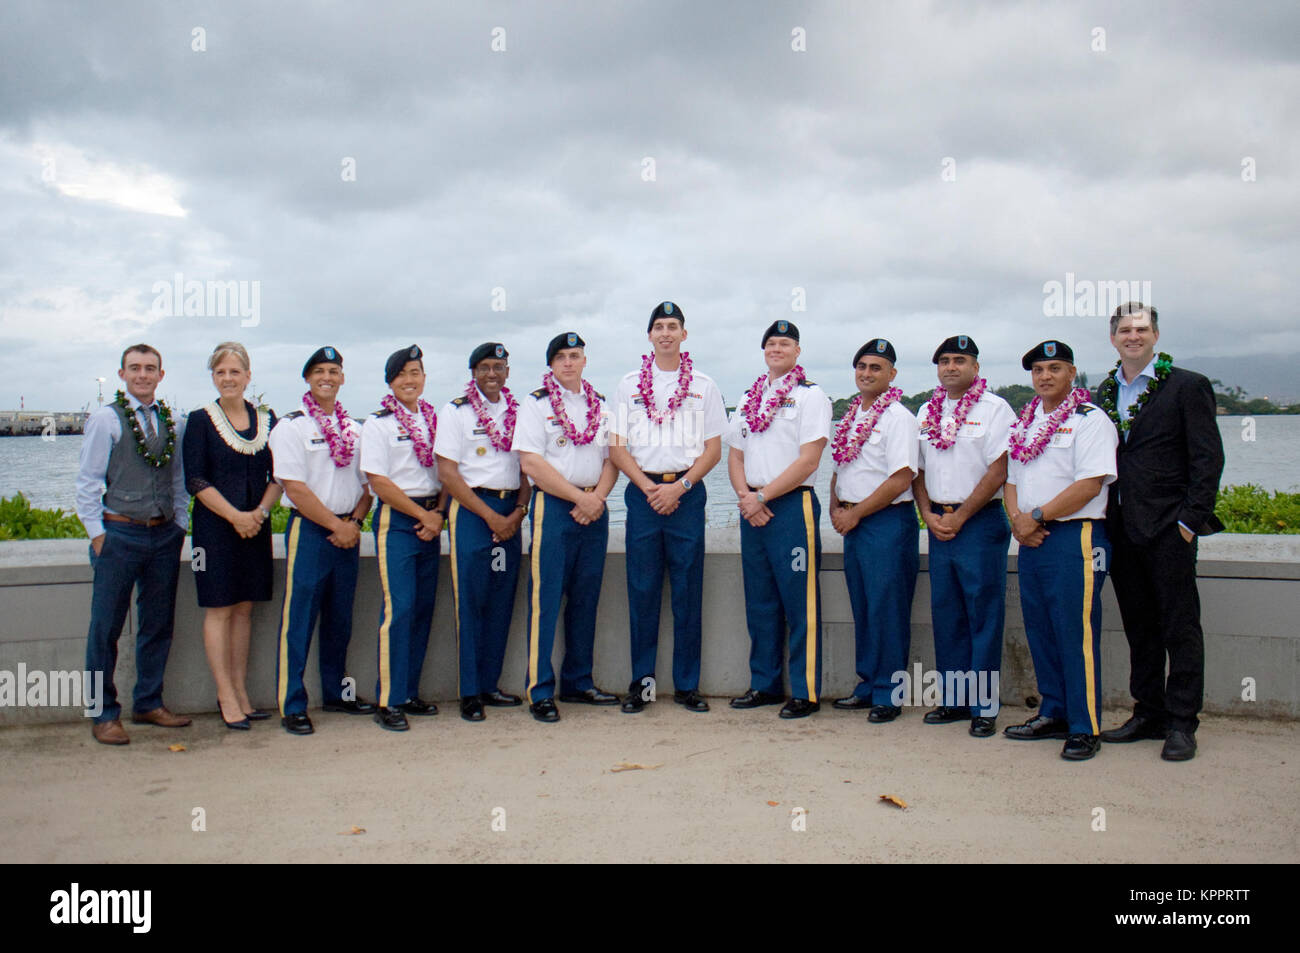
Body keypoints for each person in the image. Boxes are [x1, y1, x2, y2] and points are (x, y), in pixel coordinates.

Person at [1096, 303, 1225, 762]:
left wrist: (1189, 522)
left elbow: (1208, 460)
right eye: (1125, 330)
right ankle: (1147, 712)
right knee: (1139, 627)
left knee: (1179, 626)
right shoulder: (1104, 391)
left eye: (1142, 329)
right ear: (1113, 339)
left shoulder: (1187, 386)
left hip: (1171, 529)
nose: (1133, 336)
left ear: (1156, 336)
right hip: (1122, 528)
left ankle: (1182, 723)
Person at [608, 301, 726, 714]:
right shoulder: (627, 386)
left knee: (687, 592)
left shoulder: (705, 386)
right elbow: (617, 446)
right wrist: (647, 487)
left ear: (684, 334)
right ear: (649, 336)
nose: (665, 332)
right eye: (658, 326)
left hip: (687, 495)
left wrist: (680, 487)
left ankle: (687, 686)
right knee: (641, 591)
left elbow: (713, 449)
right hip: (642, 496)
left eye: (673, 326)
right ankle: (641, 685)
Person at [1003, 340, 1118, 761]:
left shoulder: (1091, 421)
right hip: (1032, 539)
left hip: (1075, 538)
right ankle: (1052, 712)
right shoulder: (1026, 422)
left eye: (1054, 368)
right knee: (1041, 629)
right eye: (1037, 370)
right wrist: (1018, 520)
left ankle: (1084, 725)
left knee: (1075, 632)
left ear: (1072, 373)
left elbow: (1090, 484)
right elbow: (1011, 478)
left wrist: (1037, 516)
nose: (1045, 376)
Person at [75, 343, 192, 745]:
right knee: (104, 628)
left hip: (163, 534)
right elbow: (88, 482)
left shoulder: (173, 420)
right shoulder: (106, 420)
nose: (142, 375)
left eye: (150, 368)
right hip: (119, 533)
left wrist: (180, 523)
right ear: (122, 374)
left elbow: (177, 479)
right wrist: (98, 534)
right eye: (134, 368)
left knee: (158, 624)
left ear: (162, 375)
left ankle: (148, 702)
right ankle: (102, 713)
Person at [725, 320, 832, 719]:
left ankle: (805, 692)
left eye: (784, 343)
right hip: (752, 507)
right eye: (770, 343)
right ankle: (764, 684)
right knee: (760, 601)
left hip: (790, 508)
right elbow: (735, 456)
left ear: (797, 351)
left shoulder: (811, 397)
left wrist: (763, 497)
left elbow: (809, 460)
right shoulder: (749, 397)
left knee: (799, 602)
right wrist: (745, 498)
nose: (776, 349)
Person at [911, 335, 1015, 737]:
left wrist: (962, 516)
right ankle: (953, 700)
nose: (951, 367)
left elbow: (998, 470)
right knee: (947, 615)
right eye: (944, 361)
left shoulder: (995, 410)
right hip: (939, 523)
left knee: (983, 615)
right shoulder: (926, 410)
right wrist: (927, 515)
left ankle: (984, 706)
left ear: (975, 367)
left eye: (960, 360)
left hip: (979, 524)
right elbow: (916, 470)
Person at [514, 332, 620, 723]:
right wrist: (580, 500)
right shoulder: (535, 404)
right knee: (545, 600)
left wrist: (597, 499)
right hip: (556, 509)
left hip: (595, 509)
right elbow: (531, 463)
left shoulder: (603, 406)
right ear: (551, 365)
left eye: (575, 356)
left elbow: (614, 458)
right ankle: (540, 690)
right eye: (560, 357)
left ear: (584, 361)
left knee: (585, 598)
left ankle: (579, 682)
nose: (568, 363)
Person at [269, 346, 375, 735]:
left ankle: (337, 692)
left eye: (333, 370)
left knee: (340, 619)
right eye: (318, 371)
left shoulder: (356, 429)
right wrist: (336, 524)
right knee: (299, 620)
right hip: (312, 532)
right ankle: (292, 704)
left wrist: (356, 522)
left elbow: (370, 483)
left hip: (349, 531)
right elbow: (294, 488)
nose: (326, 377)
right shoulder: (291, 427)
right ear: (307, 379)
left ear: (343, 378)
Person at [181, 341, 283, 730]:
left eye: (235, 372)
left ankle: (241, 691)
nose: (228, 378)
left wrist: (257, 513)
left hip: (255, 527)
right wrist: (235, 516)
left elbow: (279, 475)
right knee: (220, 609)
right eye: (220, 372)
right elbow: (195, 479)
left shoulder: (267, 418)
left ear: (248, 376)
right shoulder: (201, 420)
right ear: (213, 377)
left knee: (244, 609)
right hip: (216, 530)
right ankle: (225, 695)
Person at [434, 342, 529, 722]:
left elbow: (528, 467)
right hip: (475, 513)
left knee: (500, 599)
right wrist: (491, 517)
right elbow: (447, 473)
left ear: (508, 372)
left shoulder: (521, 412)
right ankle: (470, 692)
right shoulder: (456, 412)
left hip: (510, 513)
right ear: (473, 371)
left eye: (499, 367)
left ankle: (490, 684)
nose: (493, 374)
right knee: (471, 601)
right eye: (486, 367)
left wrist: (519, 511)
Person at [829, 339, 919, 723]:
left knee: (887, 609)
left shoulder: (898, 417)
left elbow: (901, 478)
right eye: (862, 367)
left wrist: (856, 513)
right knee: (864, 607)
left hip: (885, 522)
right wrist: (835, 506)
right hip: (855, 524)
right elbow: (840, 467)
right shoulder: (851, 416)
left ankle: (889, 692)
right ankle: (867, 685)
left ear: (892, 375)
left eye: (876, 368)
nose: (867, 373)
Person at [360, 344, 446, 732]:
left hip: (431, 518)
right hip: (399, 520)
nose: (409, 381)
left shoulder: (434, 419)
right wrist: (423, 516)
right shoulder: (378, 424)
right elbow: (378, 481)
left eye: (416, 373)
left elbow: (447, 472)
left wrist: (439, 514)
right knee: (400, 609)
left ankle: (410, 692)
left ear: (424, 378)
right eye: (402, 375)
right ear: (390, 382)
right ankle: (388, 699)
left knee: (423, 609)